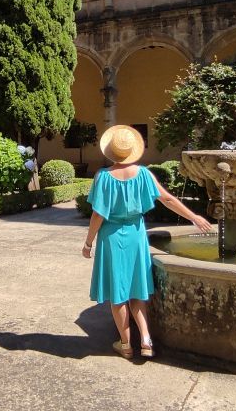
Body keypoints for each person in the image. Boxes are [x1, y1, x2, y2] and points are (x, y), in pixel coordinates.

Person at [81, 124, 213, 360]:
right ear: (133, 150)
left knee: (117, 292)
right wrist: (194, 217)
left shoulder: (103, 177)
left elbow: (98, 214)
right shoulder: (143, 174)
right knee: (136, 289)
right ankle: (145, 339)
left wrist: (88, 243)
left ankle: (125, 344)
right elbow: (168, 199)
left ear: (110, 151)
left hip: (111, 236)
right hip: (135, 233)